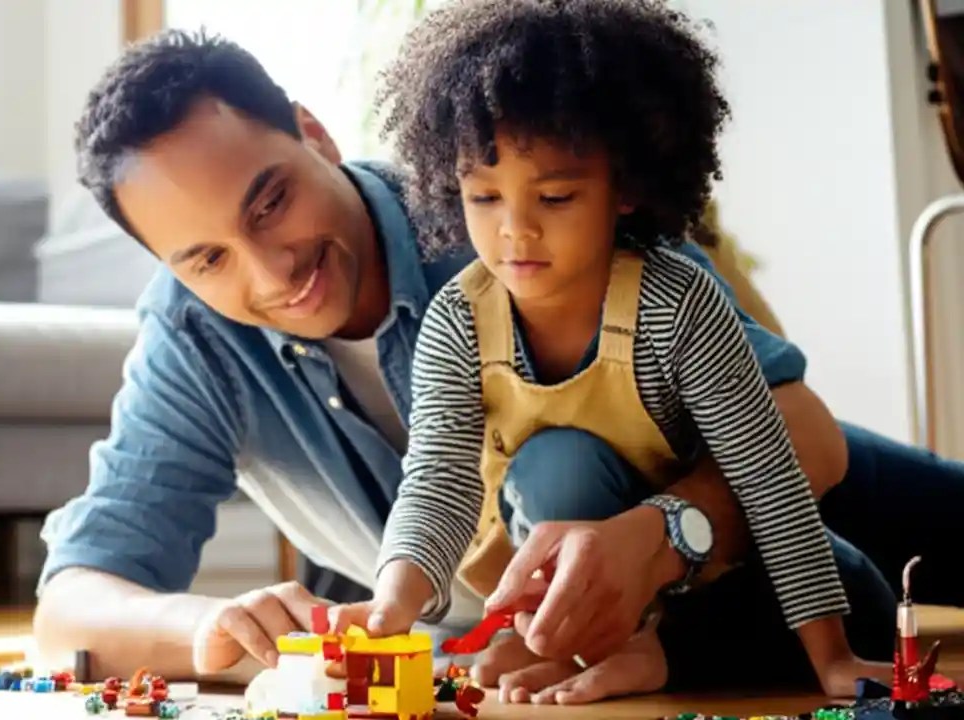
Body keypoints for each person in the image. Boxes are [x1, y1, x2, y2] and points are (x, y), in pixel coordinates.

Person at [33, 24, 963, 703]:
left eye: (270, 201)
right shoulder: (193, 342)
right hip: (599, 638)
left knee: (874, 578)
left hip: (751, 485)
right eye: (204, 259)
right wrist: (206, 630)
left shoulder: (502, 200)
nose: (270, 269)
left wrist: (665, 529)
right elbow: (69, 604)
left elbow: (798, 439)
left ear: (312, 133)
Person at [326, 0, 883, 703]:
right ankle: (611, 648)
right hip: (582, 587)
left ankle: (659, 652)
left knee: (866, 597)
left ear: (626, 188)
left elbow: (770, 483)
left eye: (555, 197)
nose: (515, 232)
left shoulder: (678, 304)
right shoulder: (457, 322)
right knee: (556, 465)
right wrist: (391, 605)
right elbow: (438, 479)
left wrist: (833, 658)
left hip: (717, 572)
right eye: (484, 196)